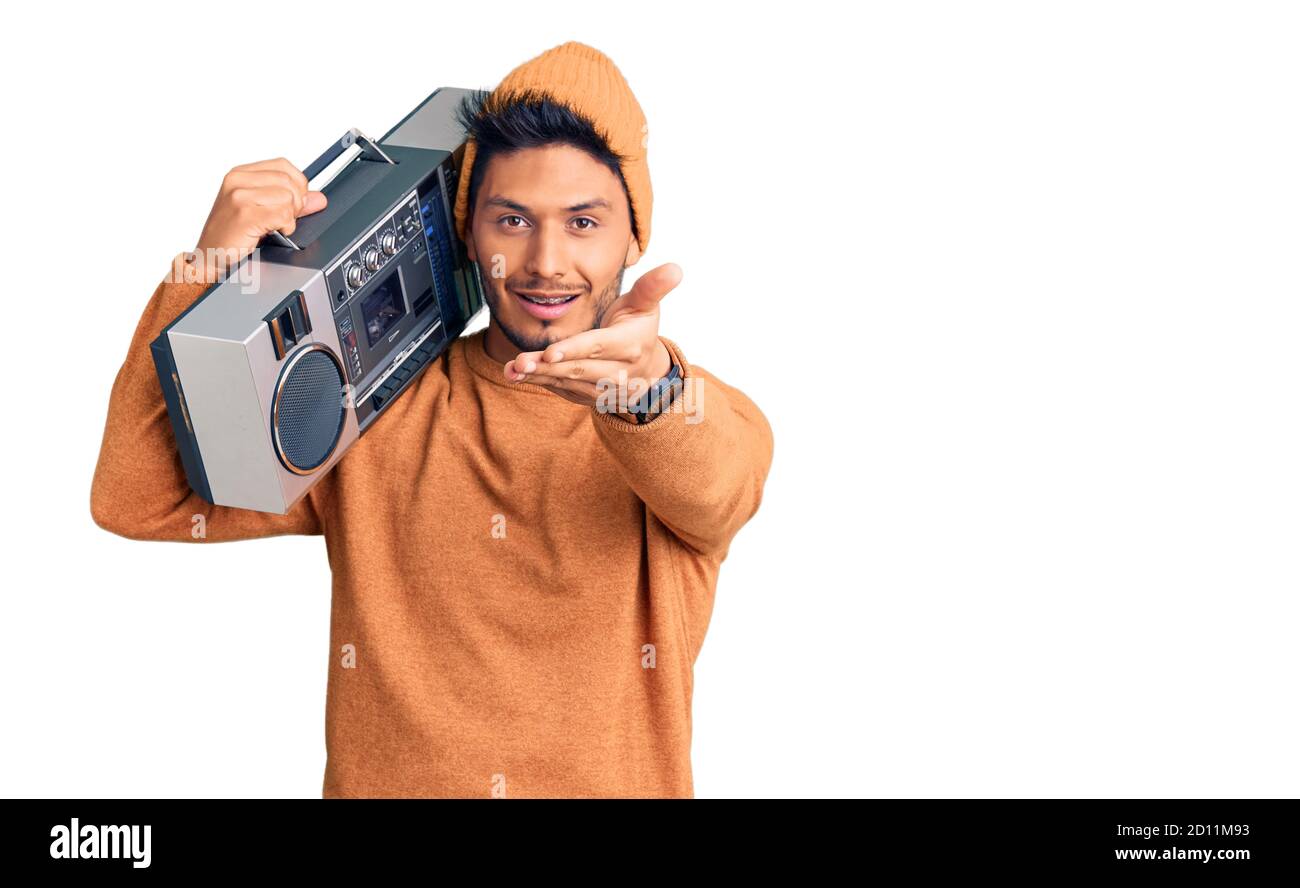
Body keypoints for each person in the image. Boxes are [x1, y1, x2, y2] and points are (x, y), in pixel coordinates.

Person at [90, 40, 773, 798]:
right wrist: (205, 279)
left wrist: (646, 394)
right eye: (512, 220)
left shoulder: (681, 413)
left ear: (632, 238)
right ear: (466, 231)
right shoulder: (371, 406)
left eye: (584, 223)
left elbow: (720, 486)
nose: (545, 260)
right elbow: (138, 497)